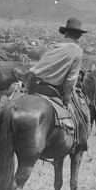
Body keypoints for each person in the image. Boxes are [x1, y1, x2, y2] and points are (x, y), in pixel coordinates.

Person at [27, 17, 90, 152]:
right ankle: (78, 143)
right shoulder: (77, 51)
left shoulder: (53, 46)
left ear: (65, 34)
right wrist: (66, 100)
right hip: (54, 89)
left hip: (34, 85)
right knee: (78, 115)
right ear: (79, 36)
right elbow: (71, 80)